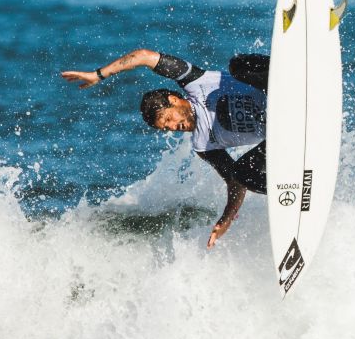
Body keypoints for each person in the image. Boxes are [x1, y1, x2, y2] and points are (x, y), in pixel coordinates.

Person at [61, 49, 269, 248]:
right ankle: (284, 188)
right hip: (274, 138)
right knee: (241, 174)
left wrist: (98, 75)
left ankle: (285, 73)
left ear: (174, 100)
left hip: (270, 89)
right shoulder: (203, 144)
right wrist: (226, 218)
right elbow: (234, 182)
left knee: (237, 64)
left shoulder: (196, 82)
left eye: (169, 119)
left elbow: (144, 56)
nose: (173, 127)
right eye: (166, 128)